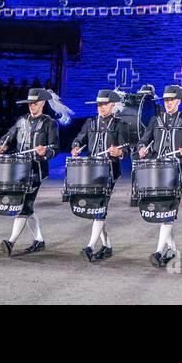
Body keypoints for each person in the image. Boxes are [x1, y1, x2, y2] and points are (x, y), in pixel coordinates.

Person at [0, 87, 69, 257]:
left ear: (42, 103)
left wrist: (46, 152)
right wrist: (3, 145)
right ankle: (39, 240)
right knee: (27, 206)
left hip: (36, 170)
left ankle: (10, 242)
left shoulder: (50, 123)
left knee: (24, 205)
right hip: (18, 170)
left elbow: (55, 149)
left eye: (34, 103)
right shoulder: (21, 121)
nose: (31, 106)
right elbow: (8, 136)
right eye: (29, 103)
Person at [136, 83, 182, 267]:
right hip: (157, 172)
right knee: (165, 211)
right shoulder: (155, 121)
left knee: (167, 211)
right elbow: (143, 141)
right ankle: (172, 250)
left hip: (177, 172)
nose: (168, 103)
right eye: (166, 100)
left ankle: (158, 252)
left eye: (171, 100)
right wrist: (142, 149)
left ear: (179, 101)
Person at [68, 89, 130, 261]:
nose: (101, 107)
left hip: (109, 170)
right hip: (90, 170)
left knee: (100, 206)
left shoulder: (120, 125)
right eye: (99, 105)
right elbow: (80, 138)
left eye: (104, 104)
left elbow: (127, 147)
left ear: (112, 105)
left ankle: (90, 246)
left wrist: (119, 152)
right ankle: (107, 246)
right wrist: (75, 146)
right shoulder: (90, 123)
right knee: (95, 208)